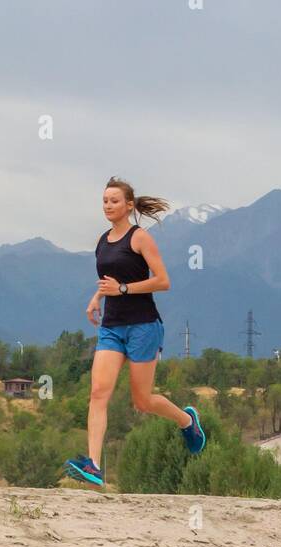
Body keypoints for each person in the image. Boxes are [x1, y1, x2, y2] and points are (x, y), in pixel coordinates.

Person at [65, 176, 206, 488]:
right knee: (98, 392)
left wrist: (123, 289)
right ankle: (94, 466)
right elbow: (109, 281)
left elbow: (163, 280)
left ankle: (186, 421)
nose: (108, 206)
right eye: (104, 201)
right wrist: (97, 297)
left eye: (114, 201)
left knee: (142, 401)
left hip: (143, 326)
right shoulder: (102, 241)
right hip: (112, 328)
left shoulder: (139, 237)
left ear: (129, 205)